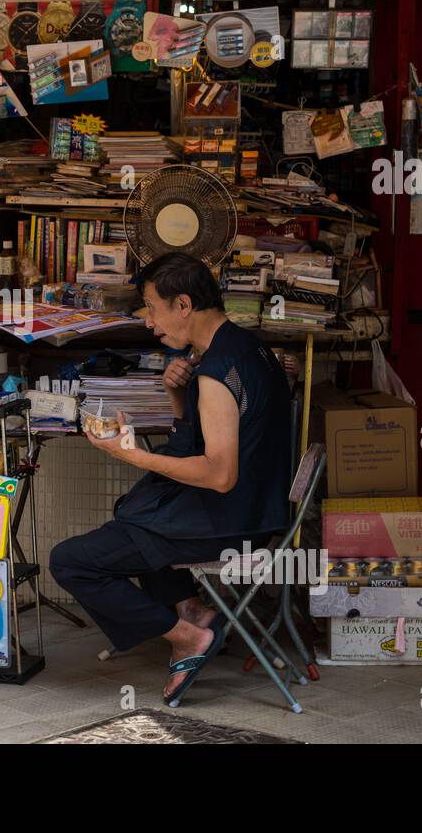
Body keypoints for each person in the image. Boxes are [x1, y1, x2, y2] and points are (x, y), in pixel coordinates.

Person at [49, 252, 292, 706]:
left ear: (183, 305)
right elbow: (207, 442)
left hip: (233, 518)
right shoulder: (245, 347)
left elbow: (219, 474)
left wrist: (133, 454)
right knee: (133, 509)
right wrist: (176, 396)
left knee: (71, 561)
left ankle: (186, 636)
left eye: (152, 307)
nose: (148, 322)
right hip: (259, 507)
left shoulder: (219, 373)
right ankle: (191, 607)